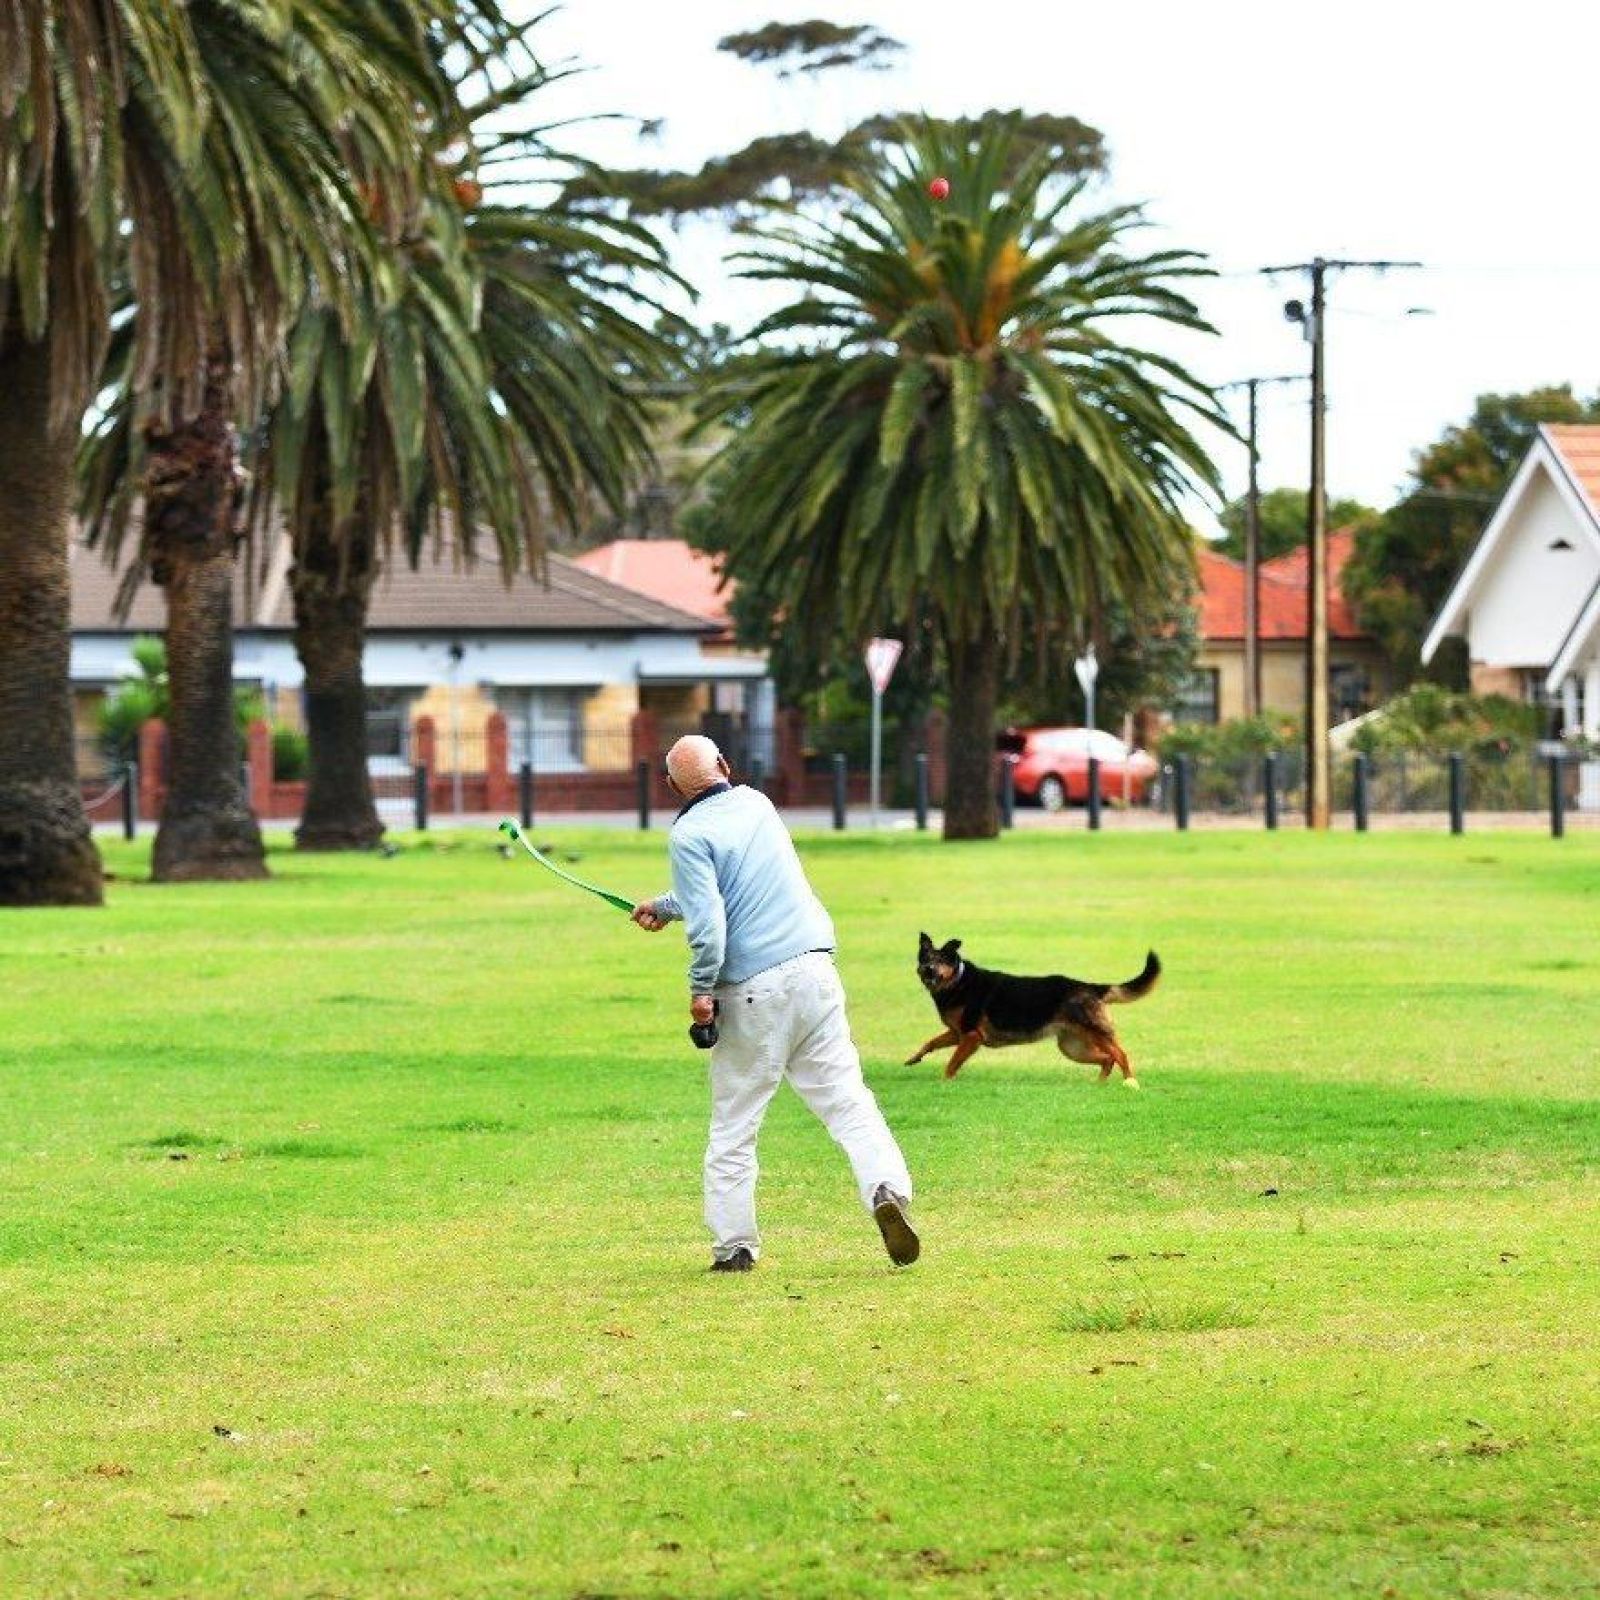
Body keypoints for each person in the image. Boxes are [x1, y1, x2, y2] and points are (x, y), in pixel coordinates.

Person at [632, 735, 918, 1272]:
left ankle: (734, 1246)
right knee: (848, 1102)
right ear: (724, 765)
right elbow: (733, 886)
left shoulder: (688, 833)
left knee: (735, 1124)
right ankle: (887, 1192)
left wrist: (699, 990)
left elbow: (711, 922)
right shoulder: (758, 805)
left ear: (670, 788)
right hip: (815, 973)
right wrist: (669, 906)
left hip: (754, 991)